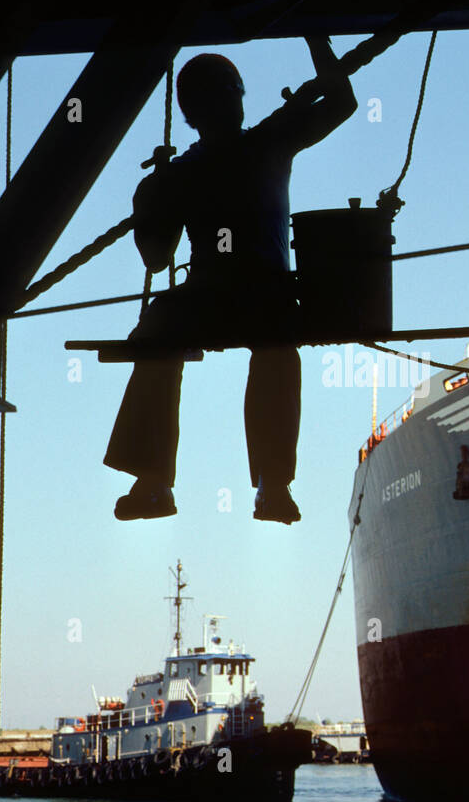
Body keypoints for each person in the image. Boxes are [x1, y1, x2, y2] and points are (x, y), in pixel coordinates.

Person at [104, 37, 356, 523]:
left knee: (160, 337)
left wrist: (152, 193)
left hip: (208, 299)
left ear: (188, 114)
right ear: (229, 100)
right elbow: (342, 102)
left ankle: (155, 481)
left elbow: (156, 259)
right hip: (263, 294)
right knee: (276, 344)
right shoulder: (268, 141)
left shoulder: (189, 170)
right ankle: (272, 484)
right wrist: (315, 37)